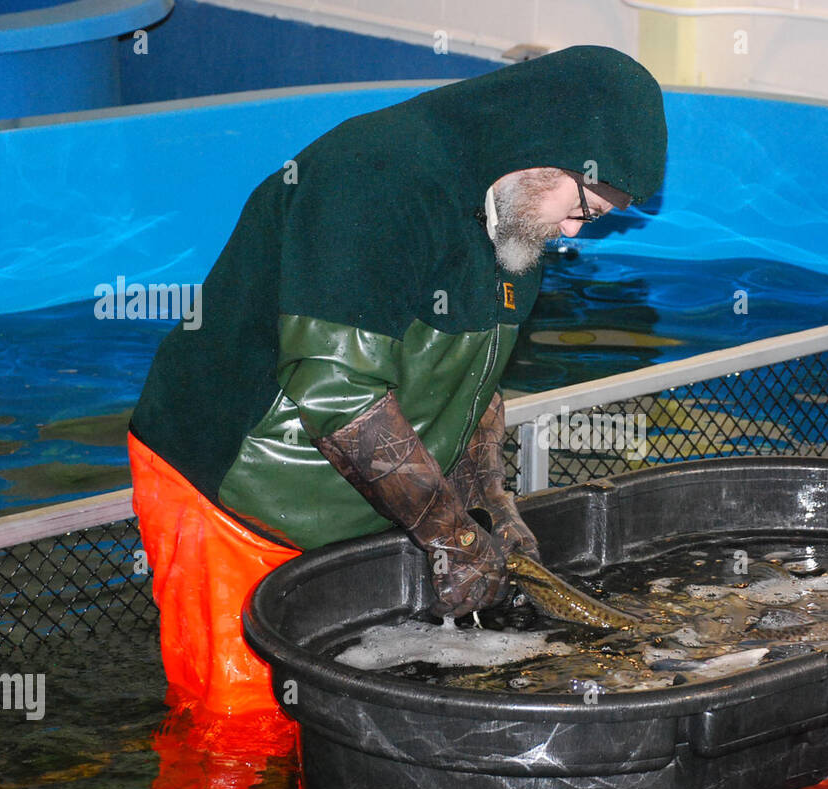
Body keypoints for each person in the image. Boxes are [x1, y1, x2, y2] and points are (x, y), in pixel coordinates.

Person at [127, 45, 668, 719]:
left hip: (364, 503)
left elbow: (476, 388)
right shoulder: (375, 177)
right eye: (582, 209)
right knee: (239, 730)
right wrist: (451, 536)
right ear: (540, 153)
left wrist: (492, 510)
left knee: (332, 719)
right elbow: (337, 392)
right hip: (237, 488)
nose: (572, 232)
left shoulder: (516, 221)